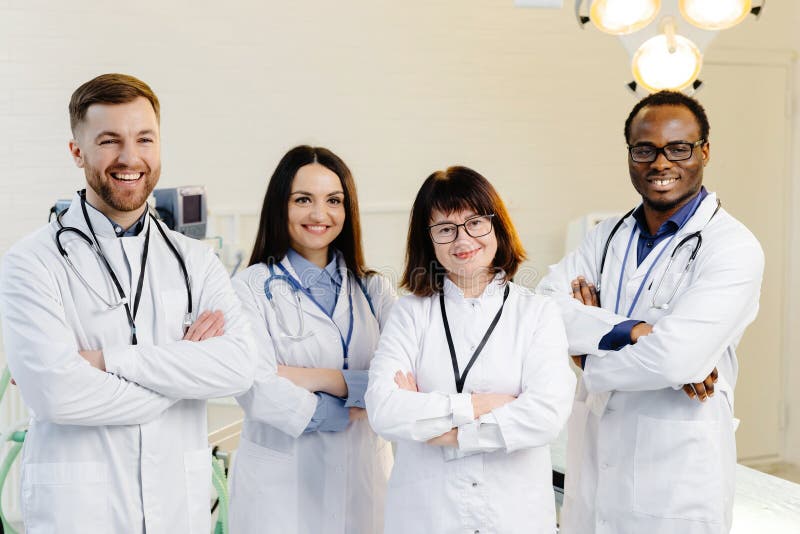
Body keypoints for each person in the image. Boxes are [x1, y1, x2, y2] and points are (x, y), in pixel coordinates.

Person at [0, 73, 256, 533]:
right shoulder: (31, 261)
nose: (130, 157)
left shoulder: (195, 260)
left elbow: (238, 367)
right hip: (81, 512)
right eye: (109, 140)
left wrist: (102, 361)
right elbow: (56, 395)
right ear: (77, 152)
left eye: (144, 138)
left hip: (178, 509)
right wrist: (183, 375)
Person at [537, 91, 764, 534]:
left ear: (705, 151)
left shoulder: (733, 248)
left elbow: (677, 359)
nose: (661, 163)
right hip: (595, 471)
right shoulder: (606, 236)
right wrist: (638, 331)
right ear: (630, 155)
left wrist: (586, 357)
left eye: (678, 148)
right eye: (645, 149)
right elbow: (544, 307)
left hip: (675, 480)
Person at [365, 166, 576, 534]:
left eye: (475, 222)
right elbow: (384, 410)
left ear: (497, 225)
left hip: (513, 517)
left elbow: (546, 415)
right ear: (427, 240)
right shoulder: (410, 313)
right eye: (445, 229)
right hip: (427, 516)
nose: (463, 239)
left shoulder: (537, 312)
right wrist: (483, 406)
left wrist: (444, 432)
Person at [228, 145, 395, 534]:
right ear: (279, 206)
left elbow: (405, 379)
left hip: (363, 484)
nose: (320, 214)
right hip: (281, 495)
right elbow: (256, 387)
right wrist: (346, 407)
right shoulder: (247, 288)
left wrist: (315, 378)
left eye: (333, 201)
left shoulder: (375, 290)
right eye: (303, 199)